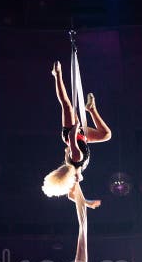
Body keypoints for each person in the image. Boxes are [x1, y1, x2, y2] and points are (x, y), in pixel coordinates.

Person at [42, 60, 111, 207]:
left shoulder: (76, 159)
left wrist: (77, 125)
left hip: (72, 133)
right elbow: (71, 196)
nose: (78, 181)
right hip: (83, 138)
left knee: (67, 104)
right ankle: (91, 109)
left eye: (75, 180)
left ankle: (57, 75)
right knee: (106, 135)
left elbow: (72, 138)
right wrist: (88, 203)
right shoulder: (75, 170)